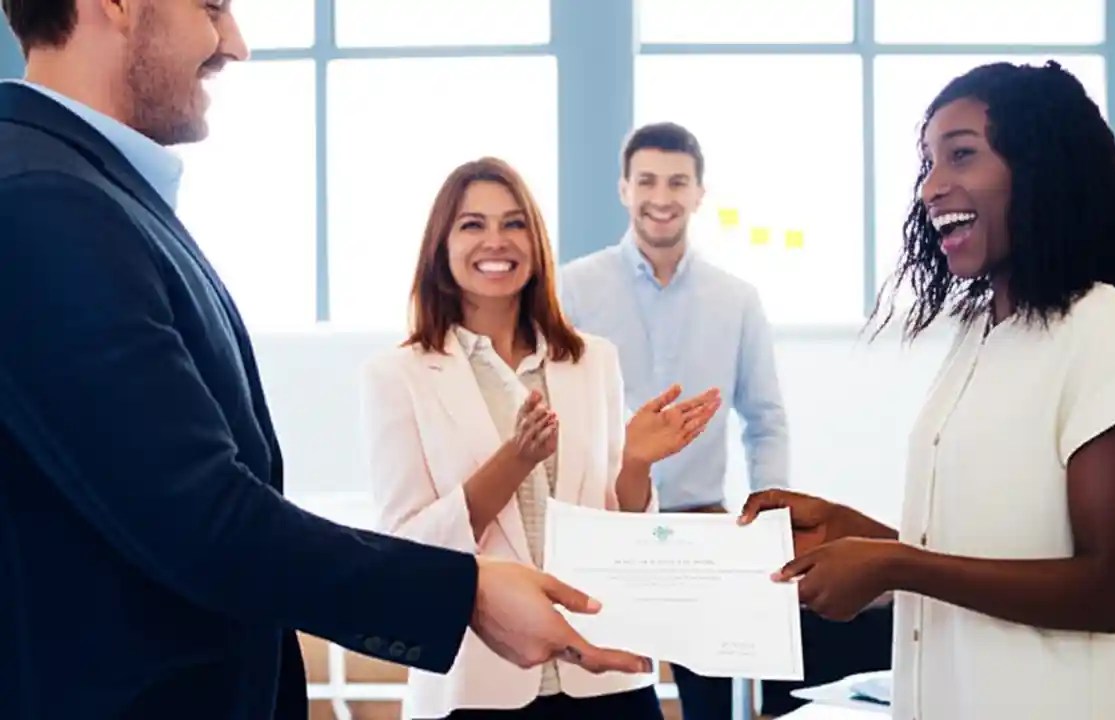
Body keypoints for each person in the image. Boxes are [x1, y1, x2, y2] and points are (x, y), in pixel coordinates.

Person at [0, 3, 649, 719]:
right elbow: (202, 516)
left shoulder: (95, 194)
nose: (234, 46)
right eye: (211, 6)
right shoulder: (47, 202)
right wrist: (463, 591)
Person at [740, 60, 1115, 720]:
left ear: (1041, 167)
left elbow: (1107, 590)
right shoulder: (979, 334)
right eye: (927, 164)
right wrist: (849, 532)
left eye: (961, 155)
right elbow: (988, 557)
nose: (932, 187)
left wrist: (894, 565)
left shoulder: (1103, 325)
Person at [359, 156, 722, 719]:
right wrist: (513, 461)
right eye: (472, 225)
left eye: (514, 223)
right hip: (476, 685)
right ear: (441, 246)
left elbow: (615, 531)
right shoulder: (398, 375)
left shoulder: (592, 360)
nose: (496, 241)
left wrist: (636, 465)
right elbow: (405, 552)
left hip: (603, 680)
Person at [559, 121, 789, 719]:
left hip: (701, 527)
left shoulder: (736, 298)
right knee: (607, 700)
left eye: (677, 182)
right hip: (607, 525)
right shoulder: (572, 289)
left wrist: (768, 516)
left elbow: (765, 418)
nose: (661, 197)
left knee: (715, 704)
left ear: (699, 193)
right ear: (623, 188)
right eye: (647, 181)